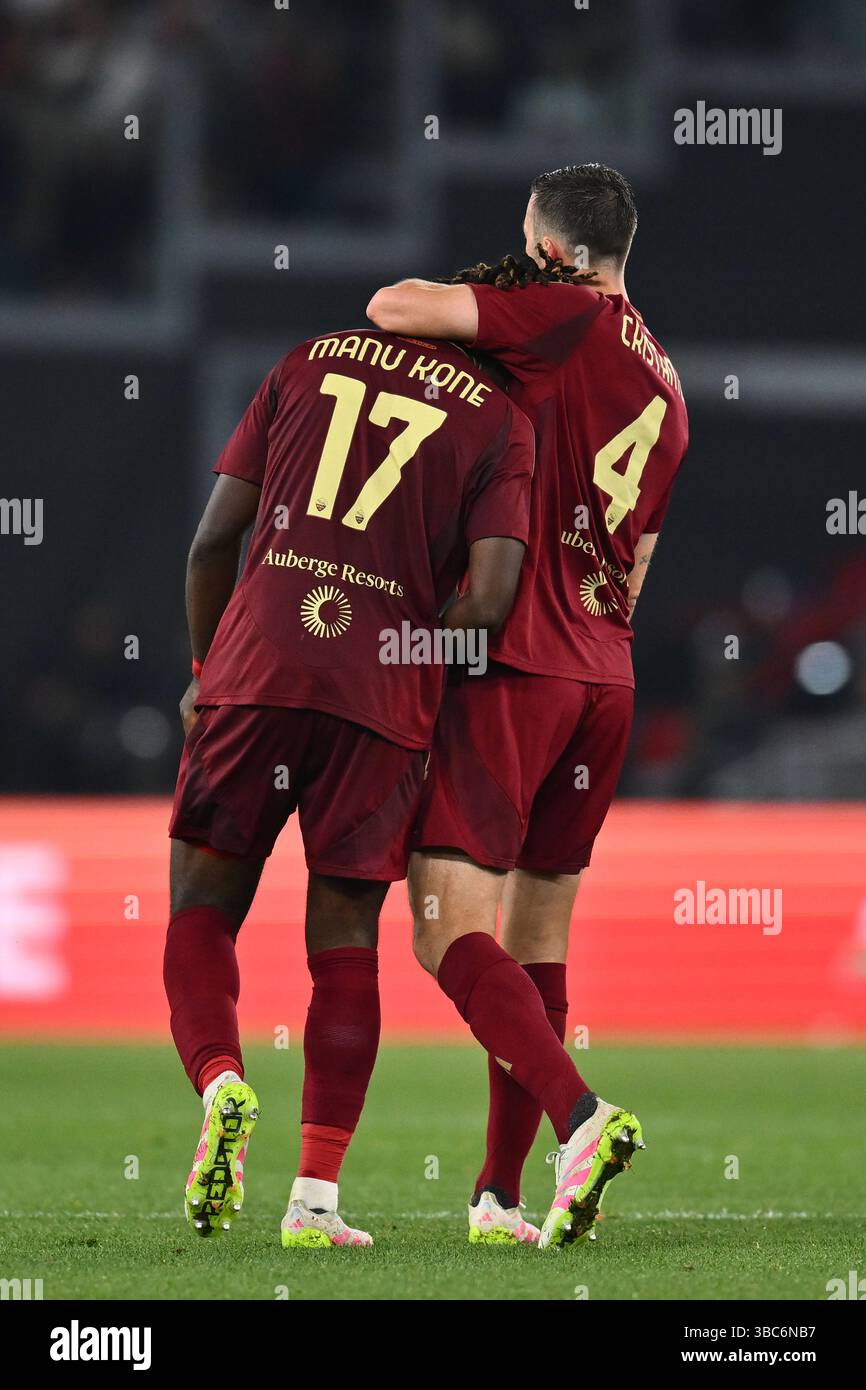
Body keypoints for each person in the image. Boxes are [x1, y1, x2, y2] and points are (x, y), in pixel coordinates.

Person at [367, 163, 689, 1248]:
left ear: (550, 249)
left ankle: (581, 1116)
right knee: (536, 936)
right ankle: (500, 1196)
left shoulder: (556, 316)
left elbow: (392, 309)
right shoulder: (669, 384)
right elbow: (635, 569)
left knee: (437, 925)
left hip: (519, 664)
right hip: (605, 671)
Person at [164, 327, 533, 1247]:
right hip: (380, 700)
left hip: (257, 670)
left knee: (203, 908)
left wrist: (208, 667)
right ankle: (314, 1202)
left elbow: (214, 541)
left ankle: (220, 1081)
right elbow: (486, 607)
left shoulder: (305, 359)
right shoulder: (498, 419)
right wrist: (410, 654)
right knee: (345, 943)